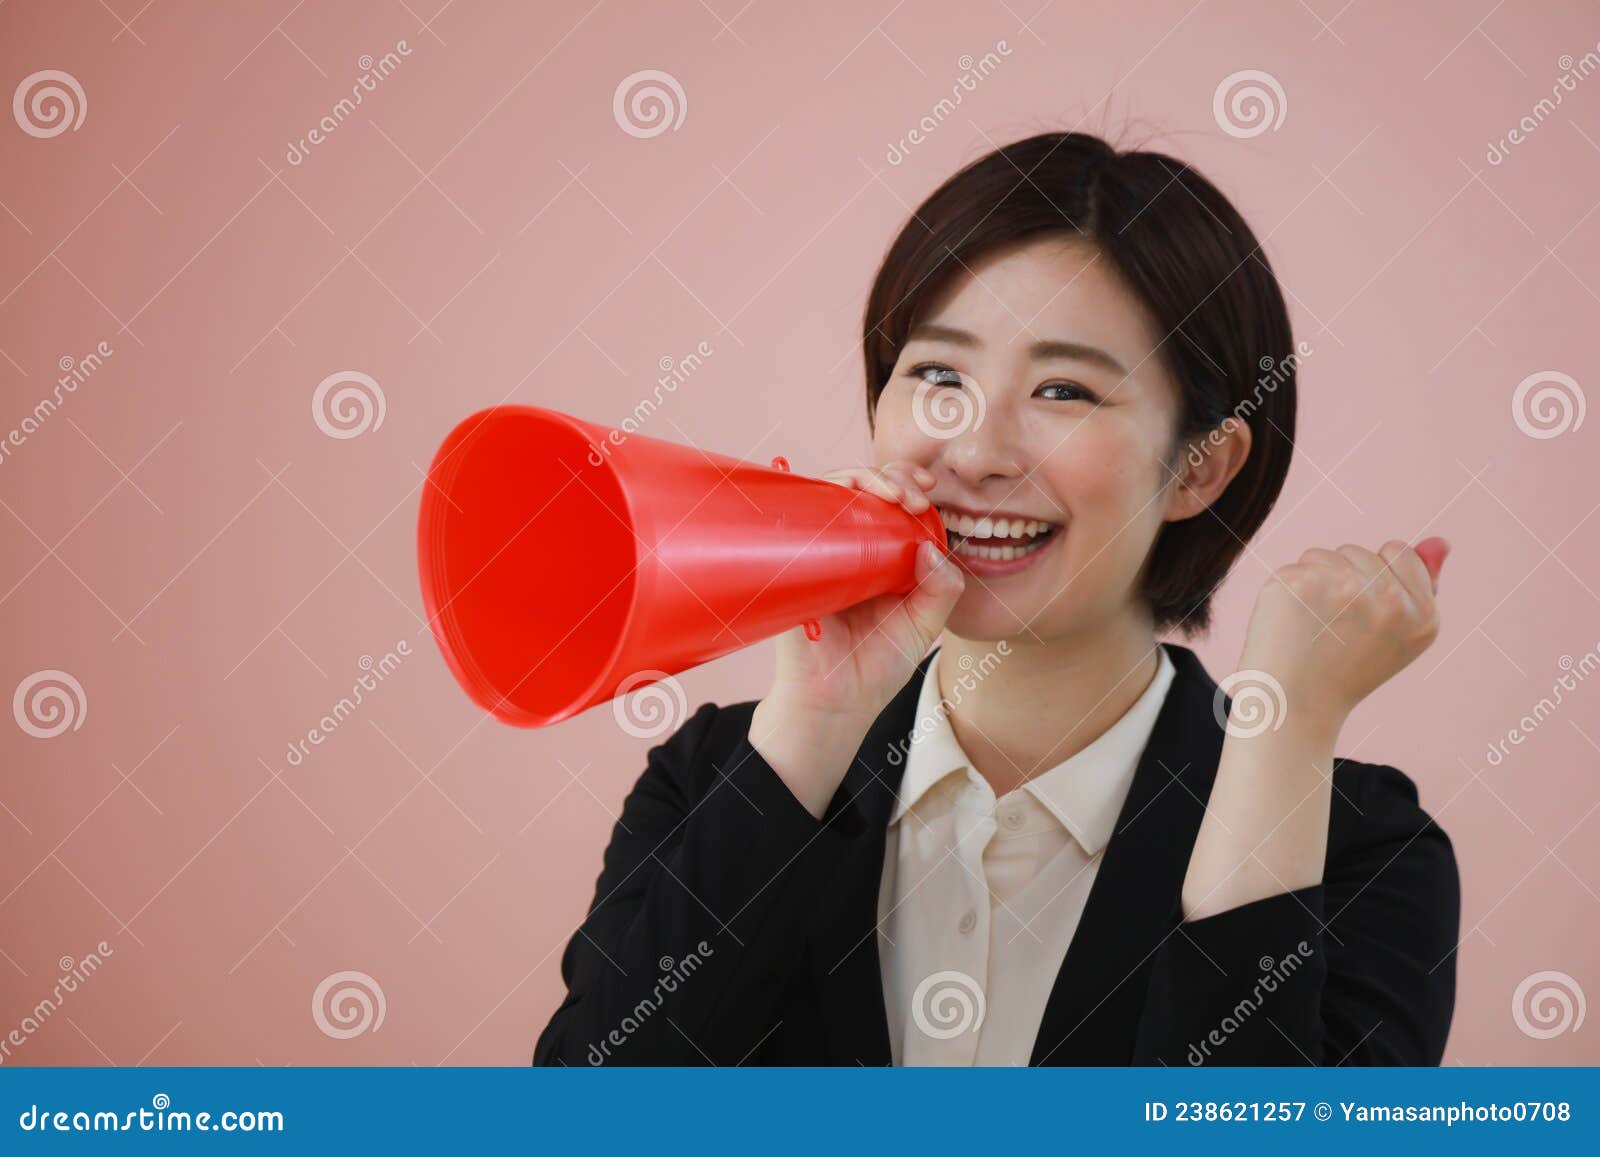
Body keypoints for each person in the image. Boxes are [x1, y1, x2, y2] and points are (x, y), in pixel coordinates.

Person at [532, 130, 1459, 1067]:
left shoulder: (1359, 851)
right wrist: (813, 725)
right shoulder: (717, 778)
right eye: (937, 375)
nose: (973, 454)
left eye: (1063, 389)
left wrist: (1285, 728)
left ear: (1200, 465)